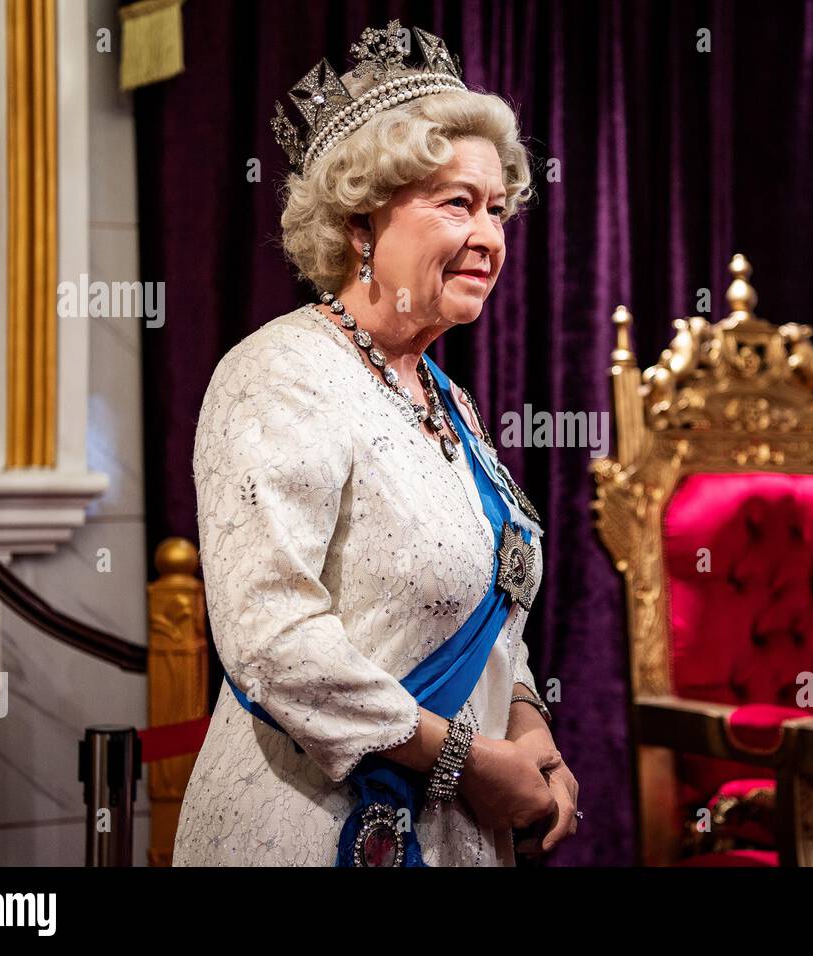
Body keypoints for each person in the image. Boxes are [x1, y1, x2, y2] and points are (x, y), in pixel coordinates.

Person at [173, 20, 579, 867]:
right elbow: (271, 639)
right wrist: (467, 760)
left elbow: (489, 609)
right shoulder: (278, 375)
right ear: (362, 222)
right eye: (457, 203)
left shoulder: (449, 399)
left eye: (498, 208)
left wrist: (532, 729)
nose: (491, 237)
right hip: (307, 831)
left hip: (463, 830)